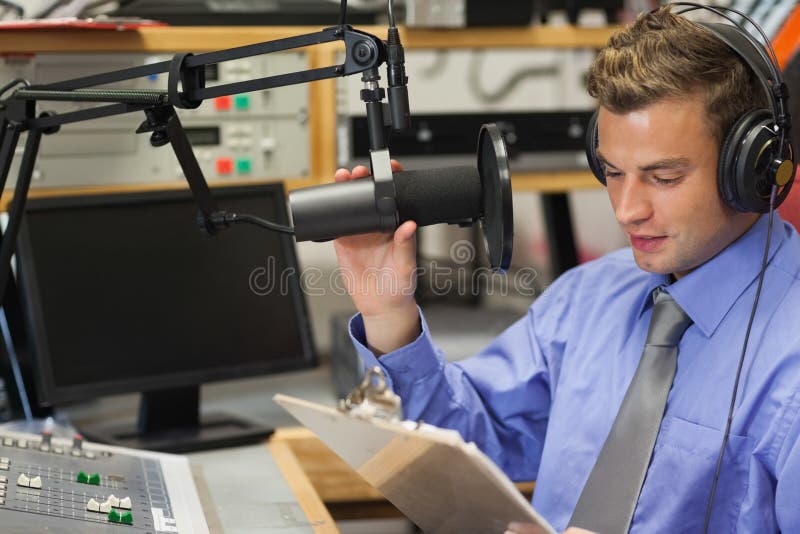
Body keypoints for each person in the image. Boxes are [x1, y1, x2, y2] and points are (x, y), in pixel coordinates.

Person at [332, 5, 800, 533]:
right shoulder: (592, 295)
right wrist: (389, 314)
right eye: (614, 172)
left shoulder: (791, 359)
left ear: (755, 167)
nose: (626, 210)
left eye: (663, 177)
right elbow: (467, 440)